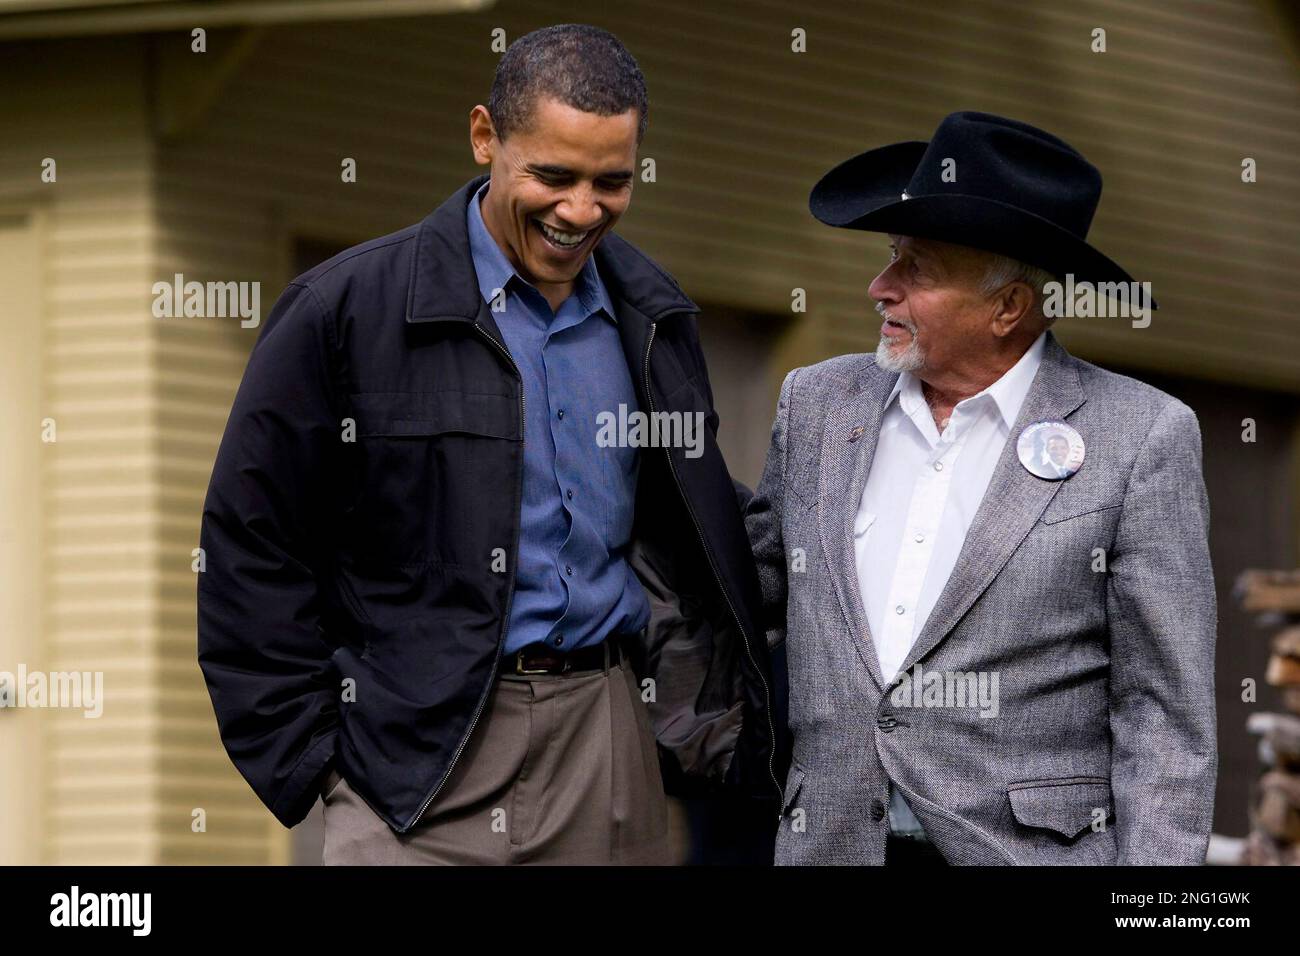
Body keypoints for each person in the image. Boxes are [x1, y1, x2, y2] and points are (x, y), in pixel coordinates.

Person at [197, 23, 777, 865]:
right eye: (554, 175)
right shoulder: (342, 312)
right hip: (415, 768)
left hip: (608, 745)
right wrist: (317, 766)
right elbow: (250, 549)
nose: (582, 210)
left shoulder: (655, 316)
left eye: (611, 182)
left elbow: (693, 526)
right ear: (484, 138)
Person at [746, 111, 1217, 865]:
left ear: (1008, 308)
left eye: (916, 267)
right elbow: (750, 589)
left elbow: (1164, 716)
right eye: (891, 257)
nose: (879, 287)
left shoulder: (1142, 437)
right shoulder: (818, 406)